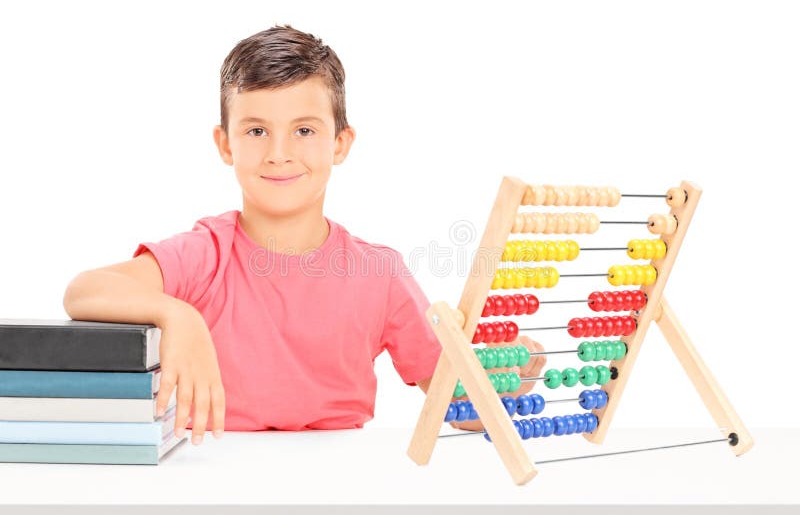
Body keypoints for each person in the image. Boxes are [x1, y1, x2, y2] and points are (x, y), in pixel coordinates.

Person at [63, 25, 544, 445]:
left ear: (340, 143)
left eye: (304, 131)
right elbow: (84, 291)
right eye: (255, 131)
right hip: (210, 477)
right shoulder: (205, 255)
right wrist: (177, 314)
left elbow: (453, 398)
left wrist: (510, 375)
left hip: (338, 482)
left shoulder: (378, 274)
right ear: (225, 144)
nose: (278, 153)